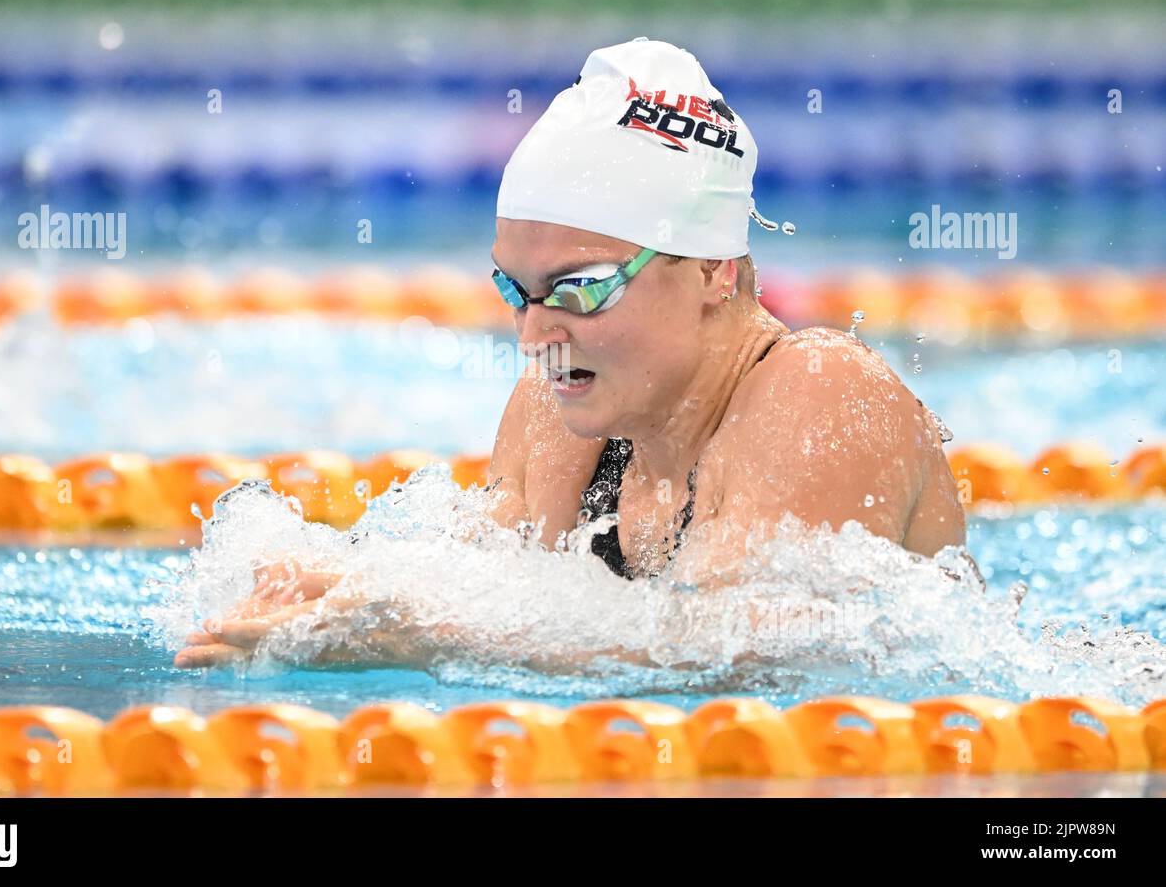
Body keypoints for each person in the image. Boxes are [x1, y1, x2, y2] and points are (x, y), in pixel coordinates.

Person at [175, 38, 965, 669]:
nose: (534, 334)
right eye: (517, 291)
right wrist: (337, 592)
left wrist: (432, 632)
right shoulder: (562, 410)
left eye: (579, 288)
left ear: (713, 270)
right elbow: (491, 587)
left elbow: (738, 649)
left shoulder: (821, 391)